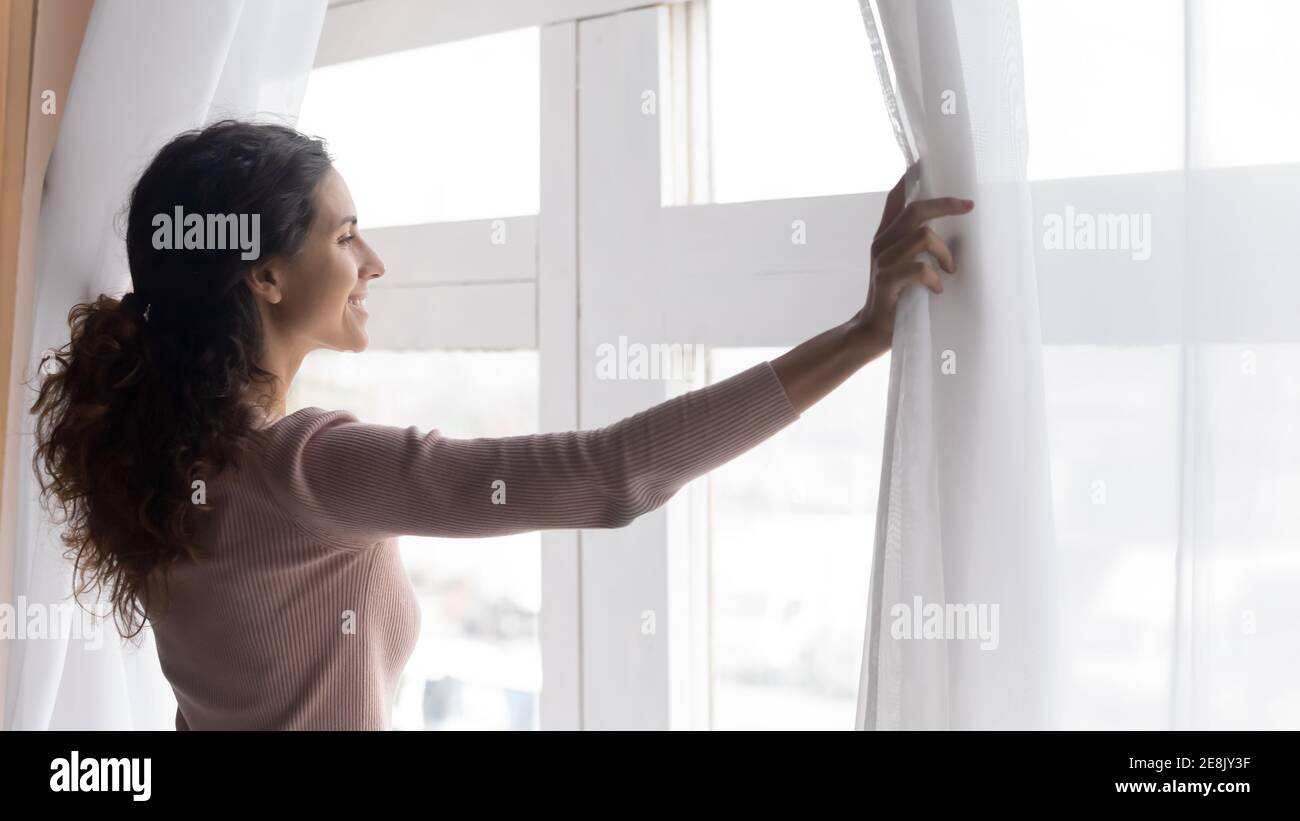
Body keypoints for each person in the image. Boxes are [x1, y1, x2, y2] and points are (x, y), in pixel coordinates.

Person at [31, 120, 973, 729]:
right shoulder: (303, 467)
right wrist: (863, 334)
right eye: (345, 233)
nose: (375, 261)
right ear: (265, 276)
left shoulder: (156, 453)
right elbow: (612, 475)